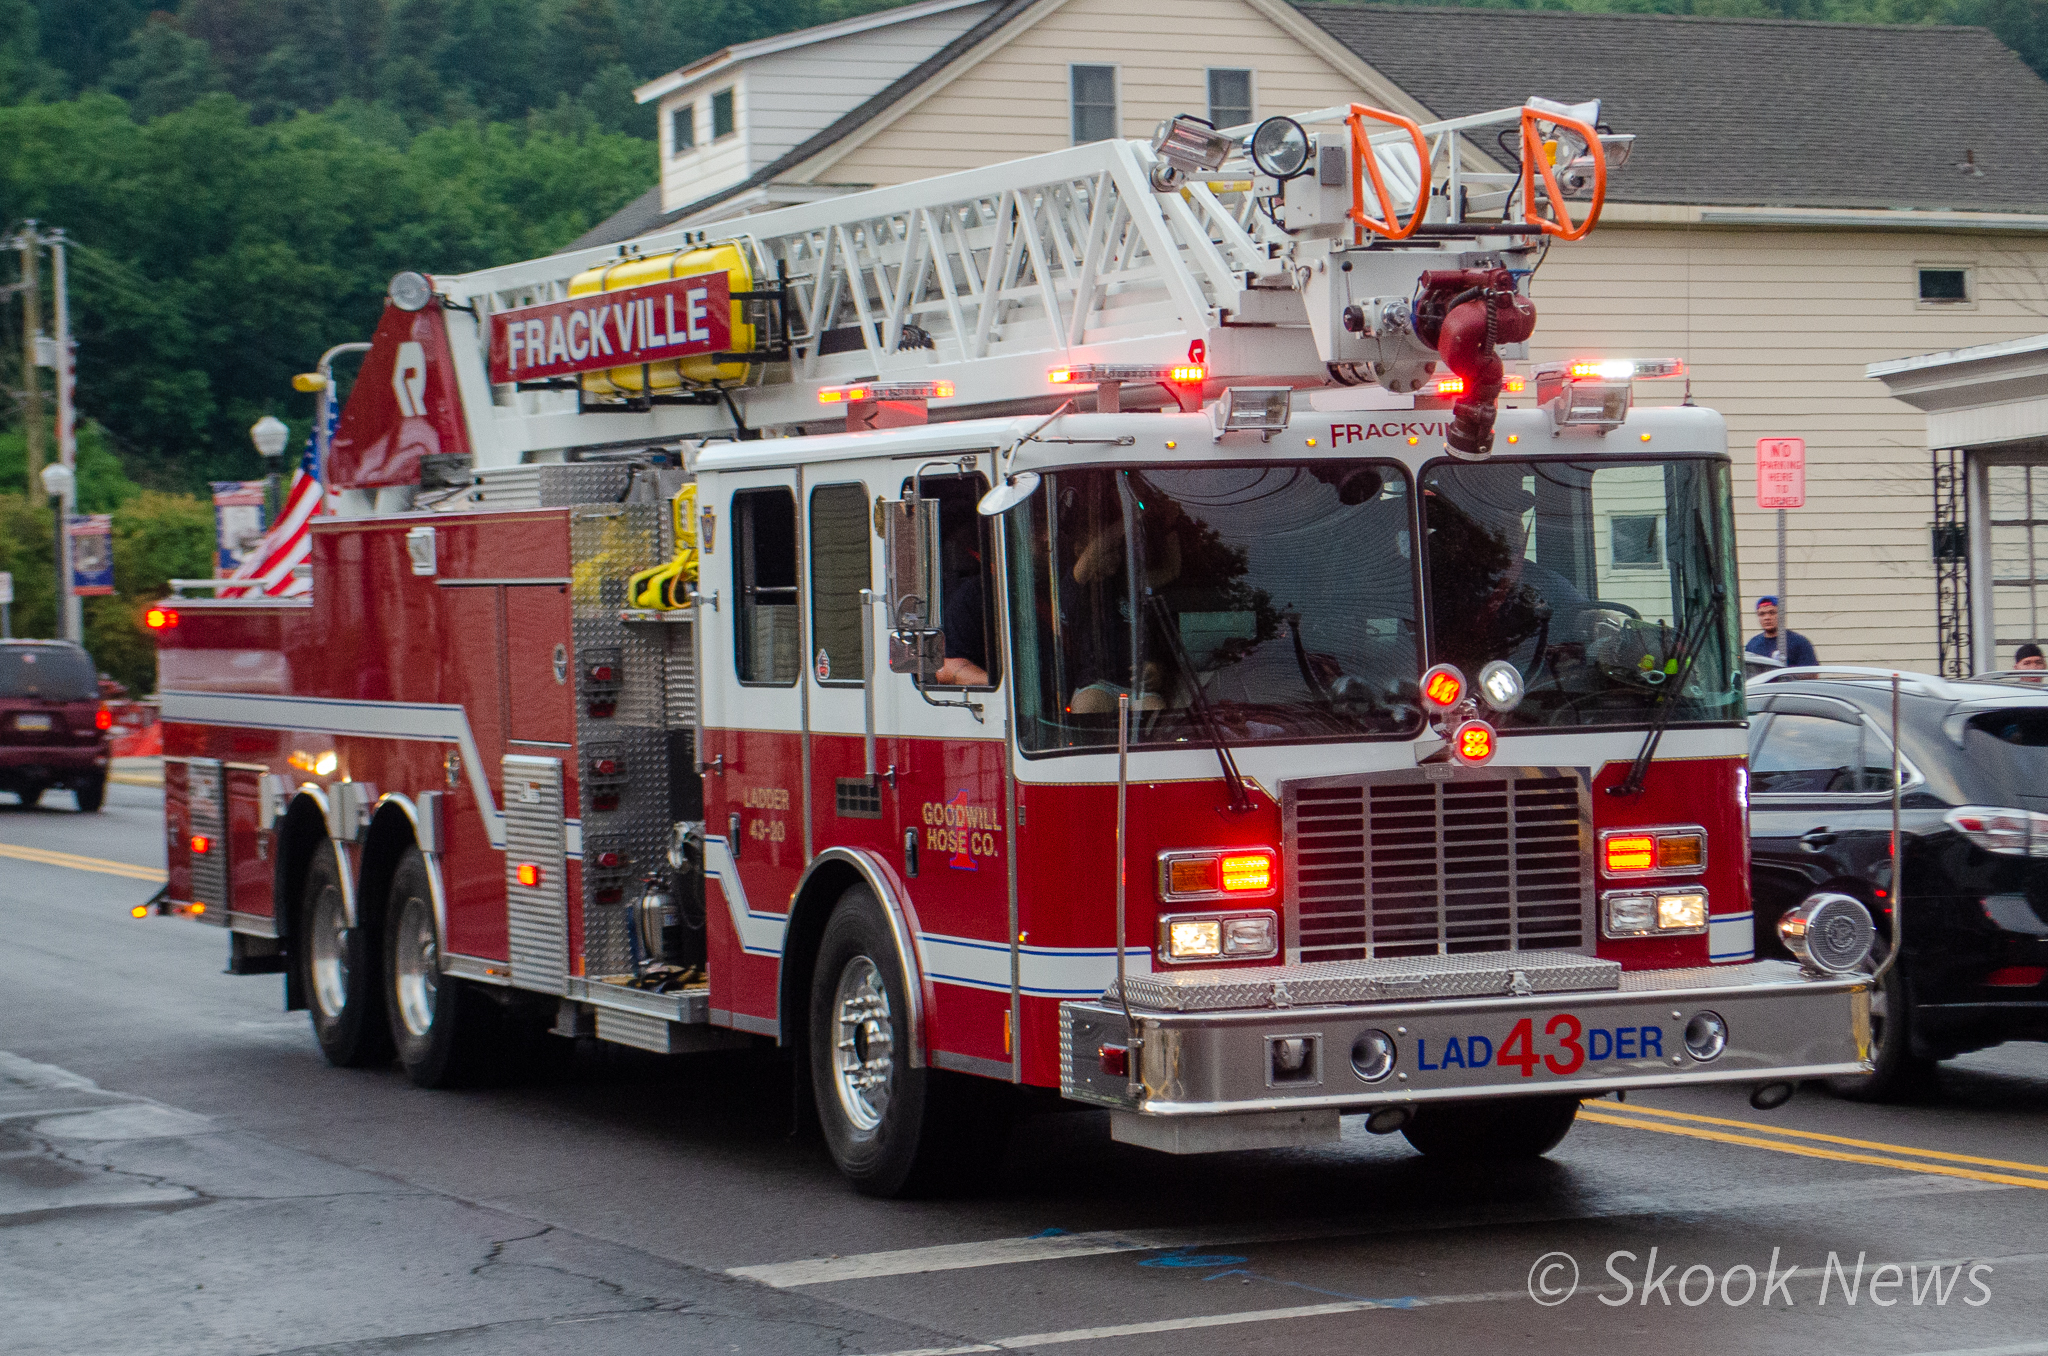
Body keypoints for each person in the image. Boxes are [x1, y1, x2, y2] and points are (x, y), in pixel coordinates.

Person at [1745, 596, 1817, 668]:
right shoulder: (1752, 644)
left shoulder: (1799, 642)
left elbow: (1811, 673)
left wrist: (1785, 675)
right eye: (1762, 614)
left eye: (1772, 613)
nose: (1767, 617)